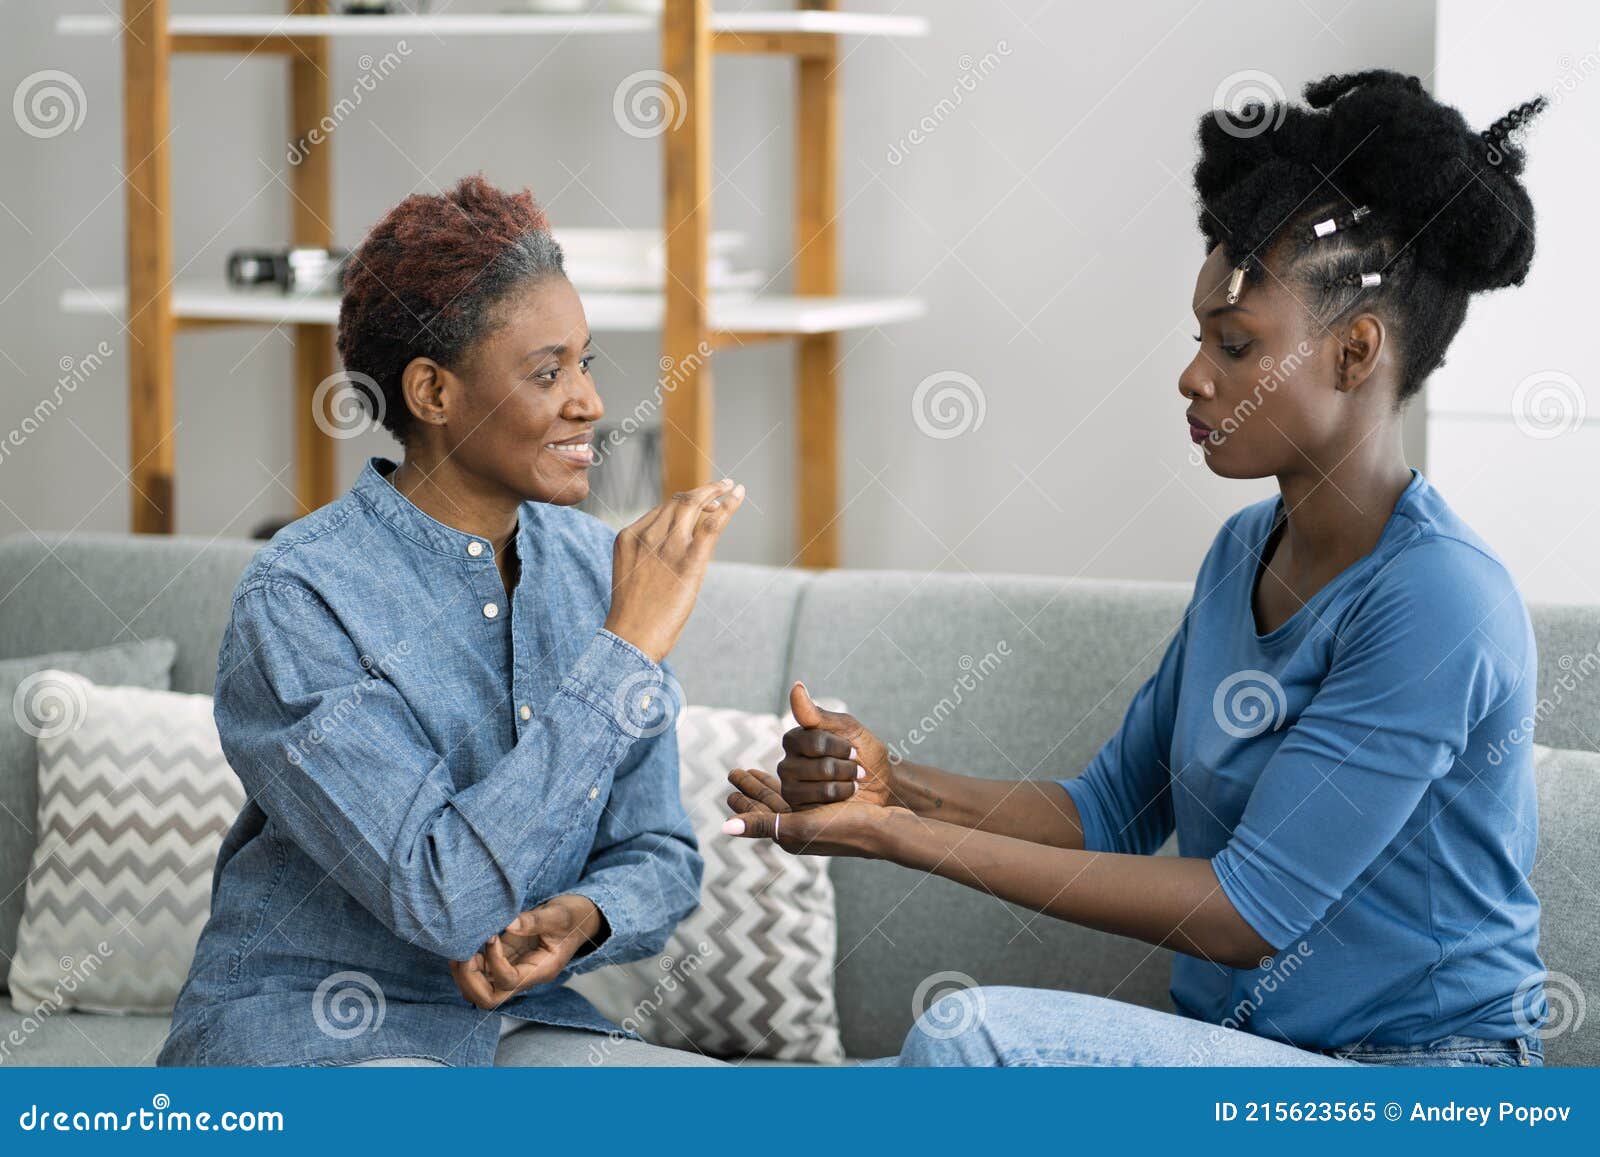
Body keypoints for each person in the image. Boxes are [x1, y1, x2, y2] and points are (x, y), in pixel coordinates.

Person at [724, 72, 1549, 1068]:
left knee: (971, 1037)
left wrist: (894, 838)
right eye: (1199, 337)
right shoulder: (1243, 551)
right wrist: (895, 786)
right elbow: (1107, 809)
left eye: (1234, 343)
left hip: (1424, 1081)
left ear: (1355, 350)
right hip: (1253, 1061)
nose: (1192, 374)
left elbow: (1248, 911)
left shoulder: (1436, 596)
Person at [161, 175, 740, 1067]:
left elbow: (658, 850)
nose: (587, 400)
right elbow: (444, 896)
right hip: (312, 1029)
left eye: (585, 362)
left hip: (518, 1023)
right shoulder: (302, 598)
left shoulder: (597, 567)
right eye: (548, 372)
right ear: (432, 392)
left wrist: (582, 918)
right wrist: (624, 651)